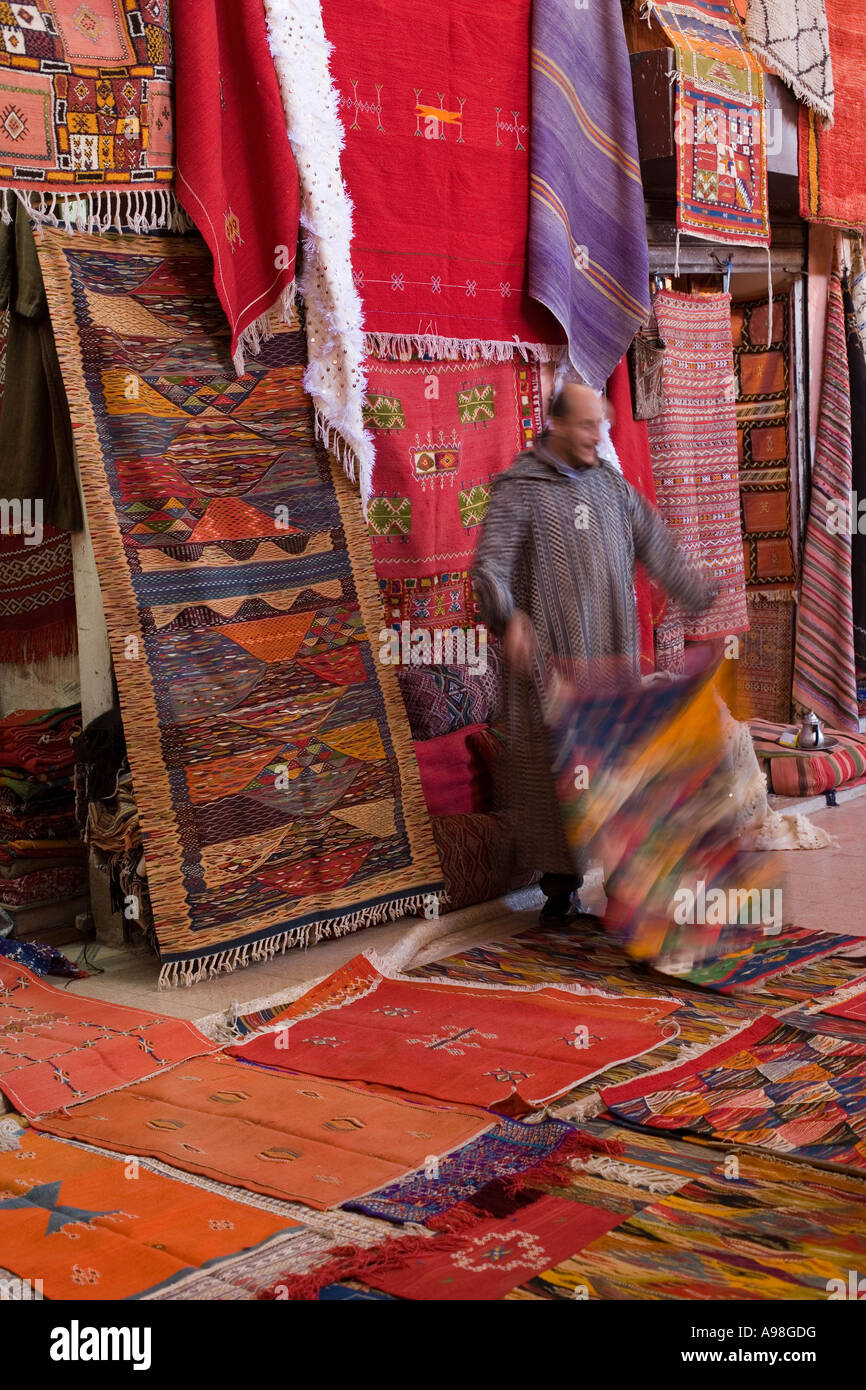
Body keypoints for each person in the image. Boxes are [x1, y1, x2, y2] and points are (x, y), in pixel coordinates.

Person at [472, 382, 715, 925]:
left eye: (600, 425)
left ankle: (631, 897)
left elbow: (659, 548)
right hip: (550, 670)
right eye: (586, 425)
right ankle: (560, 897)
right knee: (558, 780)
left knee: (617, 775)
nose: (596, 435)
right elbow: (490, 565)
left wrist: (702, 593)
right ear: (556, 424)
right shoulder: (520, 489)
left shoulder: (612, 488)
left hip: (612, 662)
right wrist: (508, 618)